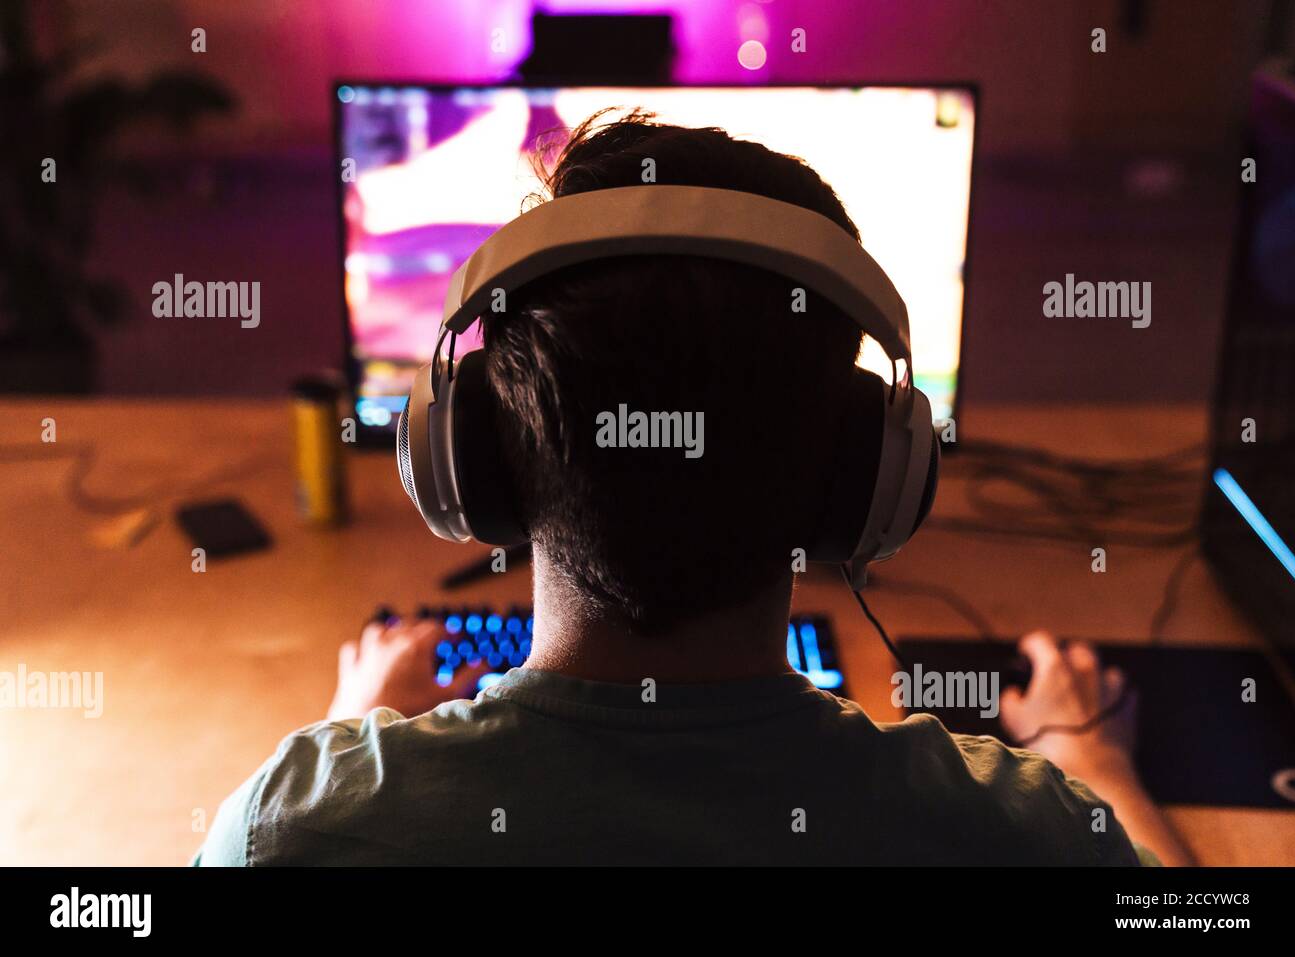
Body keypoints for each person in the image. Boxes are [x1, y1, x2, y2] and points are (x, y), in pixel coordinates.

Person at [194, 111, 1194, 866]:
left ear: (472, 458)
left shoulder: (296, 831)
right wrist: (1094, 766)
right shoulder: (1018, 837)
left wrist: (345, 736)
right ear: (866, 479)